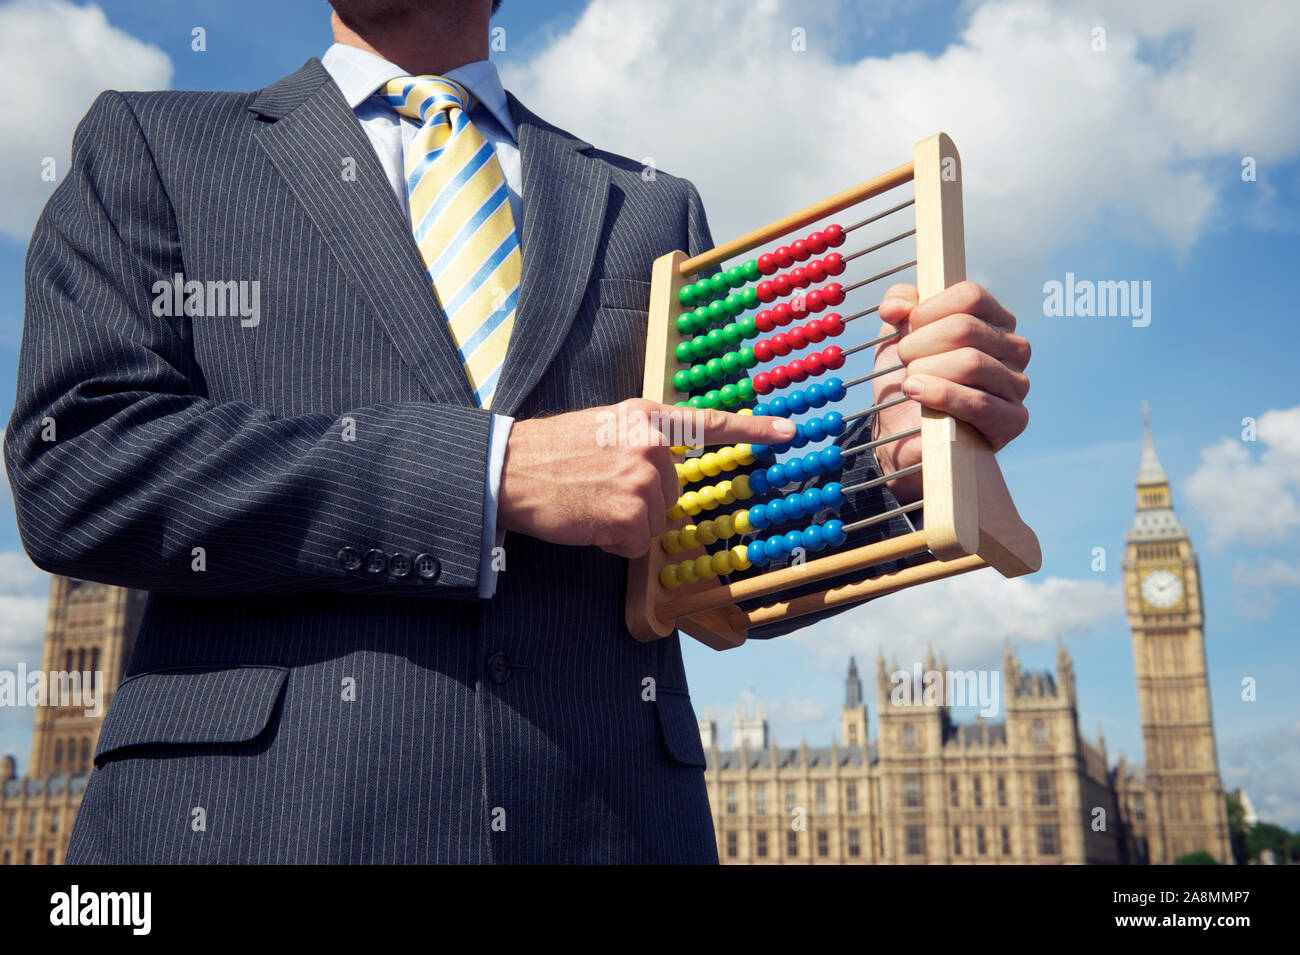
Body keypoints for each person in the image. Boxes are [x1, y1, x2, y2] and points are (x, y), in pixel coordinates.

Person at [5, 0, 1030, 863]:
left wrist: (889, 458)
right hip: (256, 829)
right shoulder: (153, 147)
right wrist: (489, 474)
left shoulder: (653, 210)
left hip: (608, 827)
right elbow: (79, 466)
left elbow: (728, 551)